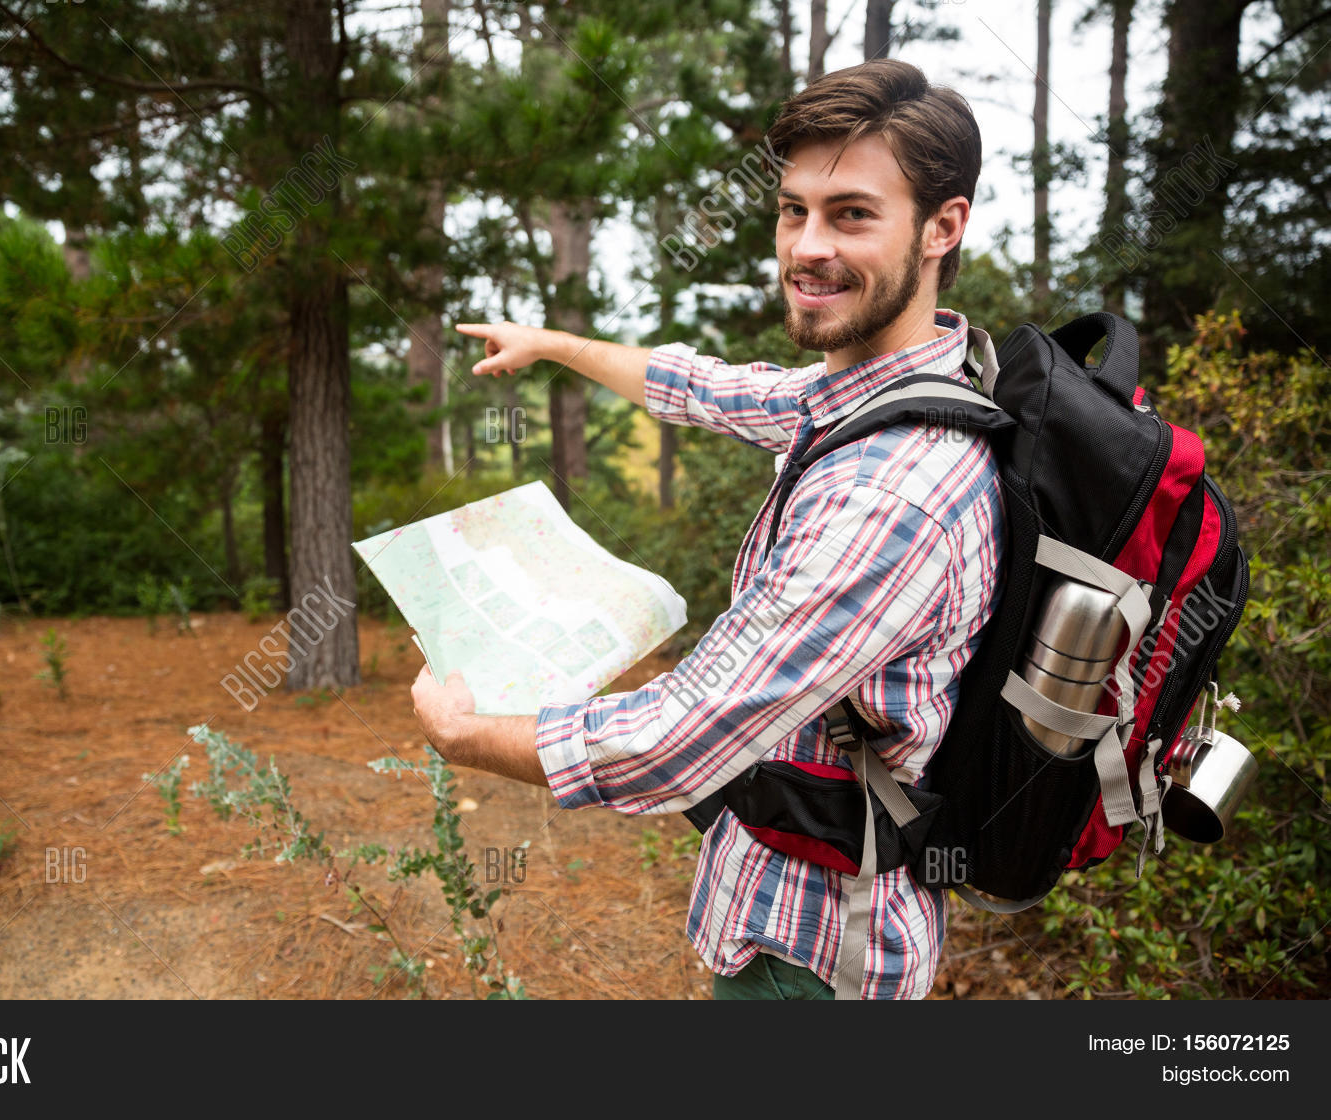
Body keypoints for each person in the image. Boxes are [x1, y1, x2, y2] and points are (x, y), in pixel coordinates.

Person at [410, 58, 1004, 1000]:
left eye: (852, 214)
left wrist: (466, 735)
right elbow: (707, 388)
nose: (807, 246)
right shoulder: (868, 393)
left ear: (944, 226)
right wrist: (555, 345)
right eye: (793, 209)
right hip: (773, 915)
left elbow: (681, 739)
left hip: (812, 960)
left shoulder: (896, 490)